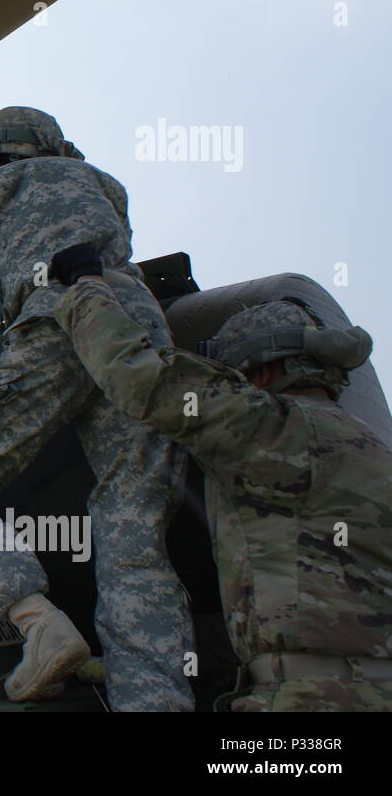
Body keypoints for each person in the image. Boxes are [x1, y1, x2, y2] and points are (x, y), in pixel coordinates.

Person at [0, 106, 193, 710]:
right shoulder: (102, 185)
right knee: (134, 533)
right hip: (141, 335)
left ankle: (42, 626)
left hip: (56, 324)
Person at [49, 242, 392, 710]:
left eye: (240, 377)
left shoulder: (270, 427)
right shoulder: (370, 450)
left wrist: (85, 285)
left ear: (266, 371)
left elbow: (138, 376)